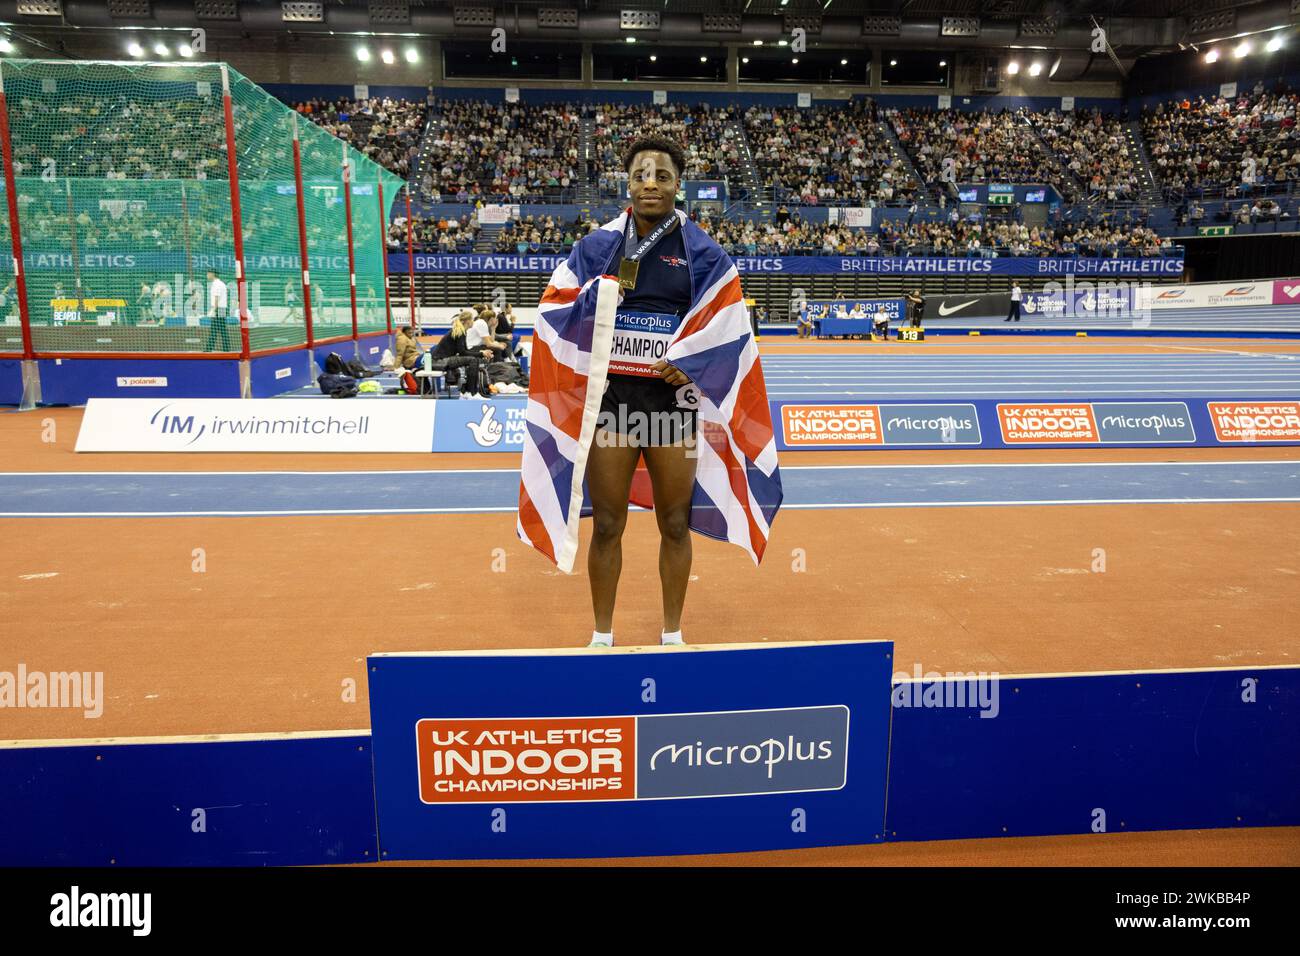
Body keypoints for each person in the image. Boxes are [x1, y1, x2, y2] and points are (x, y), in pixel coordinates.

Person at [428, 312, 492, 398]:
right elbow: (463, 353)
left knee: (474, 359)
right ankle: (470, 393)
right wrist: (481, 354)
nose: (473, 322)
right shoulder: (460, 332)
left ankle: (467, 391)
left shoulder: (462, 331)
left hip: (443, 359)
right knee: (473, 360)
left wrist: (482, 352)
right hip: (439, 361)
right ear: (468, 321)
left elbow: (465, 351)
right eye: (472, 320)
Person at [204, 270, 232, 351]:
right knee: (222, 330)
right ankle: (226, 349)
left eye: (208, 273)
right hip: (222, 309)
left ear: (212, 274)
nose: (207, 275)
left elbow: (217, 297)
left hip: (218, 309)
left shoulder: (216, 284)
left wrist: (213, 310)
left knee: (214, 330)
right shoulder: (222, 283)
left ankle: (208, 349)